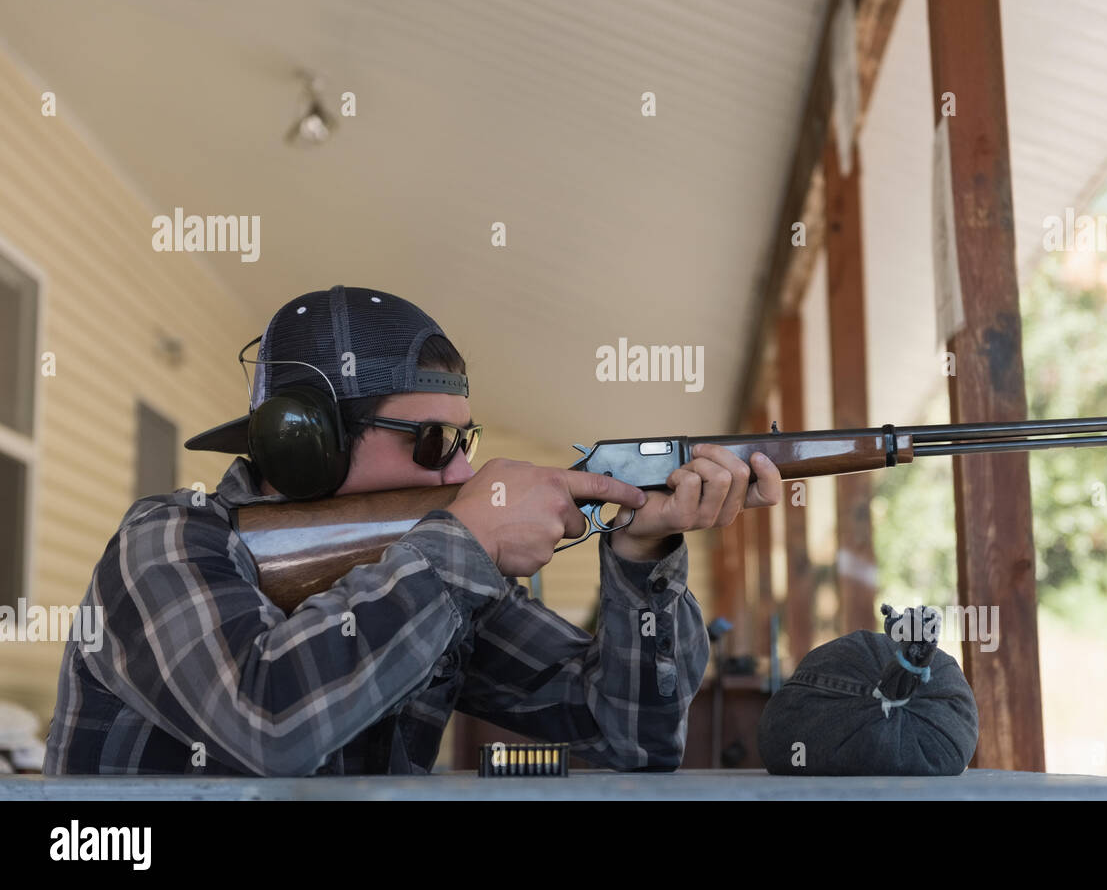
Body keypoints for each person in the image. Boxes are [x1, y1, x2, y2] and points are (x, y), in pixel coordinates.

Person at [43, 285, 781, 775]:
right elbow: (267, 721)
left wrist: (642, 552)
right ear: (308, 441)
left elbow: (628, 733)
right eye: (433, 443)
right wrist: (466, 544)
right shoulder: (166, 541)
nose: (462, 474)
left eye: (466, 440)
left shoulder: (423, 559)